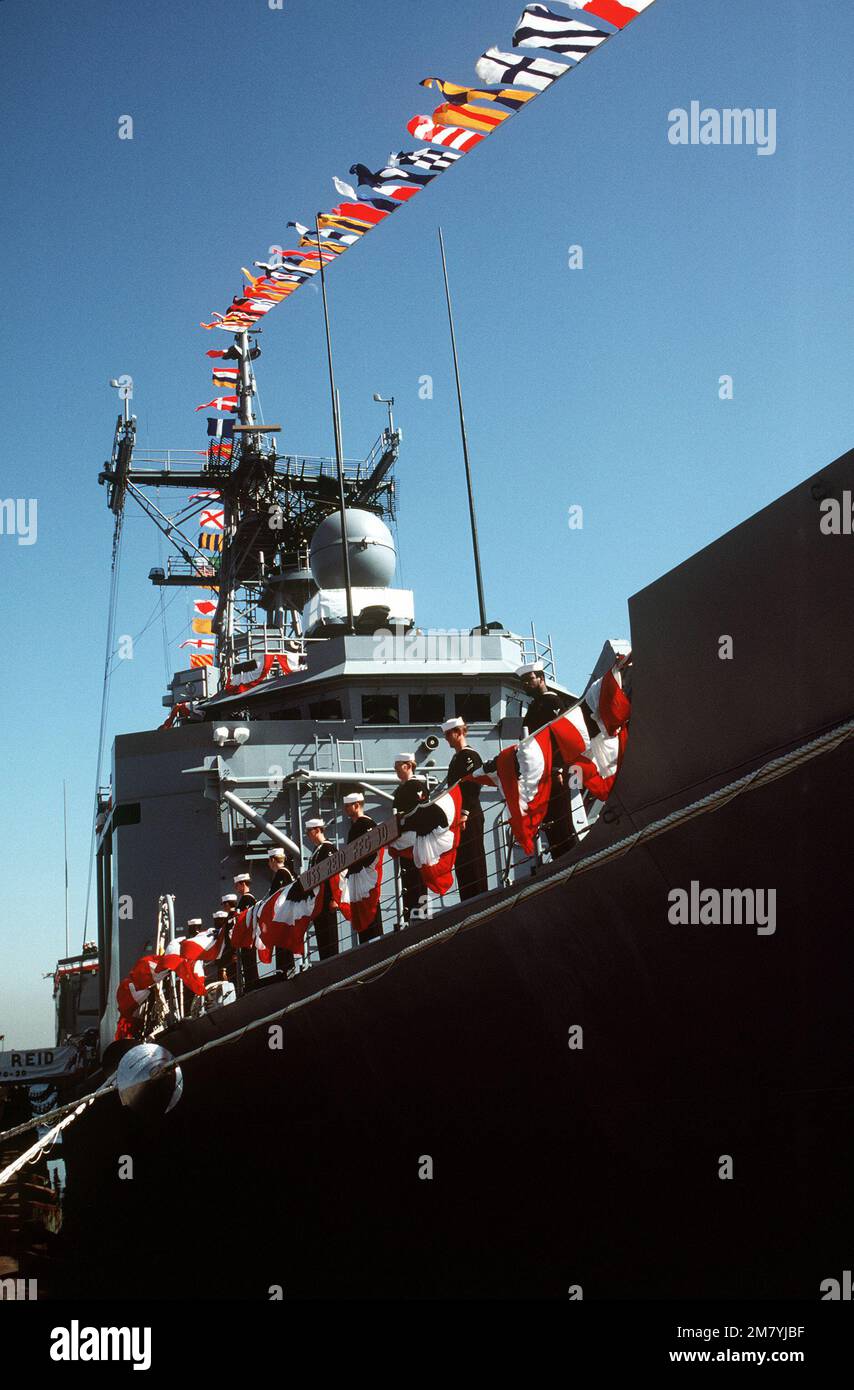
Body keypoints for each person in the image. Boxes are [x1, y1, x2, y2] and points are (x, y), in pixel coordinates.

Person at [516, 661, 575, 860]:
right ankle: (561, 860)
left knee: (561, 821)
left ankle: (570, 858)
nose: (526, 684)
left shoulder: (552, 702)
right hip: (541, 774)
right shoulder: (536, 706)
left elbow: (561, 735)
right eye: (523, 681)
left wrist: (557, 767)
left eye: (529, 679)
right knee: (551, 823)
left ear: (541, 678)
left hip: (553, 771)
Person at [441, 718, 489, 900]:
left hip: (469, 815)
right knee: (463, 862)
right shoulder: (456, 759)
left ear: (459, 732)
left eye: (448, 734)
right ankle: (468, 899)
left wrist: (464, 813)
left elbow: (473, 784)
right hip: (458, 817)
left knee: (473, 857)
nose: (446, 738)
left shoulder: (469, 756)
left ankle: (479, 898)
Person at [391, 753, 428, 925]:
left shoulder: (417, 786)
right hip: (403, 841)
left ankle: (420, 916)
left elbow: (421, 810)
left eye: (397, 766)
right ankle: (410, 917)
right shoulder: (400, 790)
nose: (395, 770)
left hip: (415, 839)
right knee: (408, 879)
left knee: (417, 879)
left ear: (407, 766)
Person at [342, 792, 382, 942]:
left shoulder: (366, 824)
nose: (345, 809)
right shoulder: (355, 826)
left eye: (348, 806)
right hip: (358, 877)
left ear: (357, 805)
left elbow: (373, 852)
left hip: (366, 877)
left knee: (369, 909)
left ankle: (374, 943)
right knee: (361, 912)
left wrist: (364, 870)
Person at [304, 818, 339, 960]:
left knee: (329, 938)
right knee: (322, 939)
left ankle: (332, 963)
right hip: (318, 902)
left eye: (309, 832)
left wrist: (333, 898)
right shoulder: (316, 851)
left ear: (317, 830)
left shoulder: (328, 849)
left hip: (326, 900)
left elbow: (334, 876)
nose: (307, 835)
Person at [267, 846, 296, 977]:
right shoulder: (289, 873)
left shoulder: (281, 874)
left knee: (282, 943)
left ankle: (285, 968)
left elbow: (276, 897)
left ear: (273, 860)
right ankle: (286, 968)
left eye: (269, 861)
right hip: (288, 914)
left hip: (283, 915)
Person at [233, 872, 258, 992]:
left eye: (237, 885)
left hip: (248, 938)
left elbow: (245, 918)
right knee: (247, 963)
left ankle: (252, 985)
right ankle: (250, 985)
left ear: (242, 884)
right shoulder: (245, 899)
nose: (236, 888)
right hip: (246, 938)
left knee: (249, 963)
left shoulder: (247, 899)